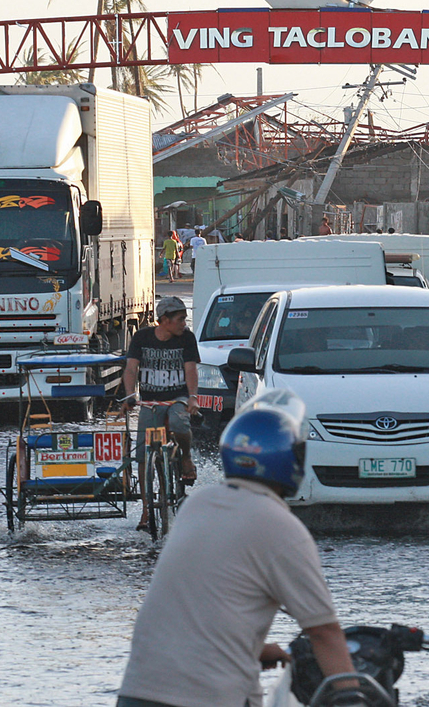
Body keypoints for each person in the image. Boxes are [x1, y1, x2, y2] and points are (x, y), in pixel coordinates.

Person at [116, 390, 357, 707]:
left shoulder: (197, 506)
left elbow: (198, 606)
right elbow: (324, 633)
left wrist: (253, 649)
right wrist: (355, 694)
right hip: (210, 698)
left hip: (138, 691)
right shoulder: (281, 528)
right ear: (291, 458)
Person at [123, 297, 201, 495]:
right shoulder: (142, 337)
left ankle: (185, 457)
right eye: (181, 319)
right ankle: (146, 510)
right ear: (165, 320)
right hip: (150, 402)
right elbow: (131, 368)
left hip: (178, 398)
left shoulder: (187, 338)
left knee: (179, 423)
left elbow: (190, 369)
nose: (184, 324)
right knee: (142, 454)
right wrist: (130, 395)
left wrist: (193, 397)